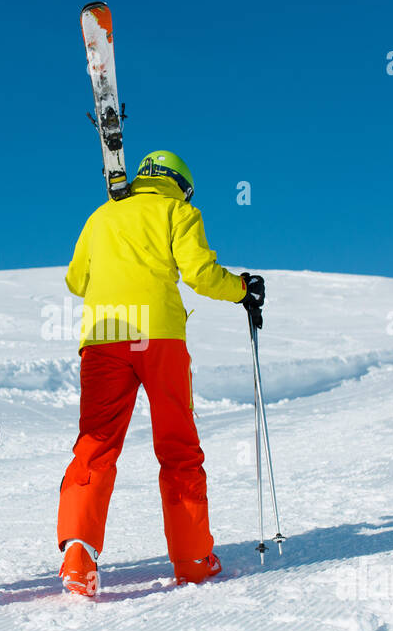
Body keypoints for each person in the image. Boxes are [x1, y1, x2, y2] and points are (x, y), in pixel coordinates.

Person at [57, 150, 265, 596]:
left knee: (94, 445)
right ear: (179, 184)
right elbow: (200, 274)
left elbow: (76, 281)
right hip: (159, 339)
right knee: (178, 447)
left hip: (104, 337)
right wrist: (242, 290)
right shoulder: (179, 210)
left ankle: (78, 558)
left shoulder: (101, 215)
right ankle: (192, 561)